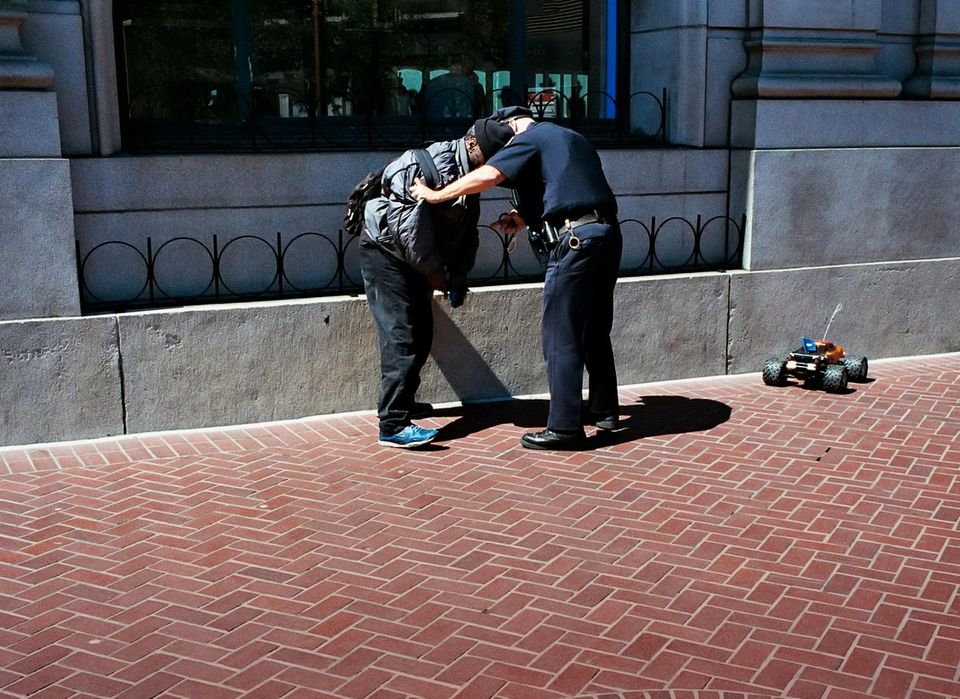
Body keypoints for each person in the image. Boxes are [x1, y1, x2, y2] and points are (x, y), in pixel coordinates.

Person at [410, 106, 622, 450]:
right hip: (606, 235)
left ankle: (566, 428)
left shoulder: (529, 136)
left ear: (510, 126)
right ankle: (605, 412)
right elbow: (567, 187)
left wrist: (437, 195)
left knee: (560, 335)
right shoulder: (572, 138)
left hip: (575, 244)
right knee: (594, 330)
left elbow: (488, 175)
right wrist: (524, 217)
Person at [361, 117, 514, 448]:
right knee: (402, 336)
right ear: (474, 146)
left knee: (422, 333)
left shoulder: (470, 177)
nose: (497, 170)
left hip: (415, 260)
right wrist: (440, 277)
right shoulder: (421, 165)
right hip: (386, 255)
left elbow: (465, 232)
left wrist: (458, 276)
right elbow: (411, 239)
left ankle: (402, 401)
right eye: (494, 158)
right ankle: (393, 423)